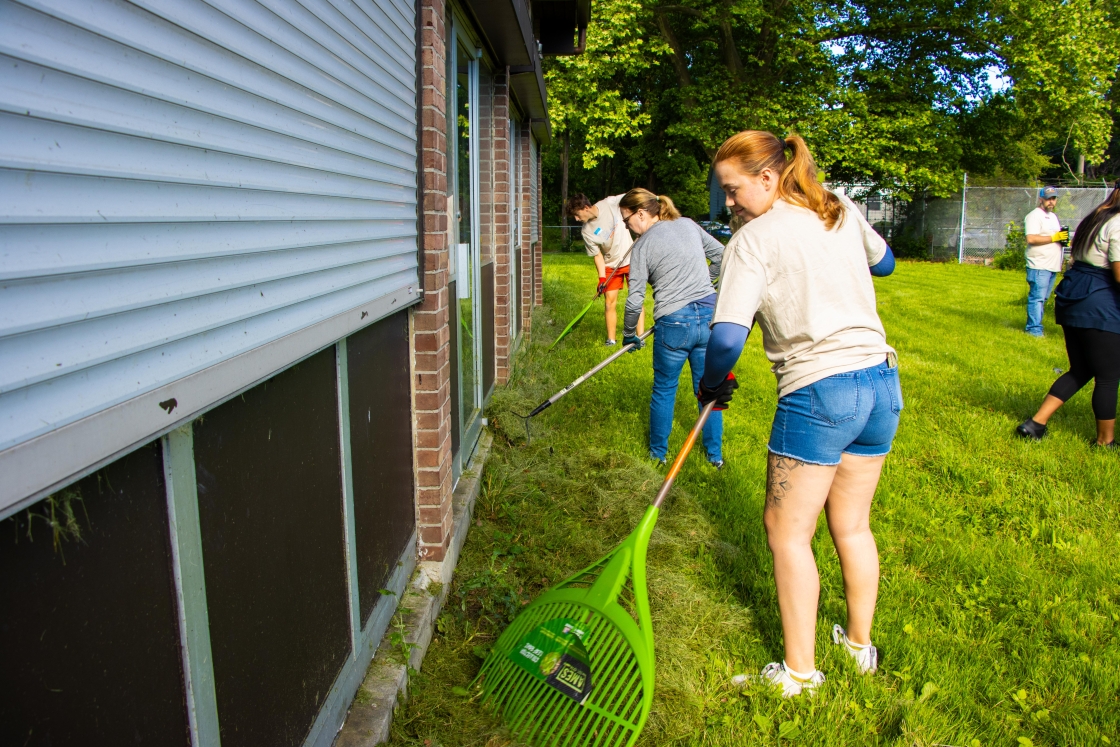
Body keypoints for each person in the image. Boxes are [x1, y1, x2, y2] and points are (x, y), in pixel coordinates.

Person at [697, 130, 898, 697]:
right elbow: (886, 264)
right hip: (881, 383)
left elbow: (728, 336)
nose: (729, 204)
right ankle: (860, 648)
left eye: (733, 191)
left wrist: (713, 384)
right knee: (852, 524)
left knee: (787, 532)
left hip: (821, 392)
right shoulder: (835, 206)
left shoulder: (754, 240)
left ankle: (800, 675)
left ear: (766, 178)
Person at [617, 188, 726, 468]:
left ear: (641, 214)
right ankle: (715, 457)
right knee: (708, 390)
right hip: (709, 316)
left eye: (627, 220)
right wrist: (707, 285)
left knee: (665, 389)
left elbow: (634, 300)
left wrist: (629, 333)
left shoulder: (642, 246)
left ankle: (658, 455)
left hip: (674, 323)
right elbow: (723, 256)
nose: (627, 227)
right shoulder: (688, 224)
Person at [1016, 182, 1120, 448]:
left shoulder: (1097, 215)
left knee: (1082, 369)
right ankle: (1105, 441)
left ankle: (1035, 424)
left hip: (1074, 295)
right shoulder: (1118, 222)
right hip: (1098, 301)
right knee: (1108, 376)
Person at [565, 193, 646, 344]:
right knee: (609, 302)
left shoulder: (610, 203)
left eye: (576, 215)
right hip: (610, 264)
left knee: (636, 299)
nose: (576, 219)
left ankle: (640, 337)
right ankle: (611, 340)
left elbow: (633, 195)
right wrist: (602, 278)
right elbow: (598, 256)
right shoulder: (586, 231)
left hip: (631, 259)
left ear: (586, 208)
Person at [1023, 186, 1070, 337]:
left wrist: (1063, 240)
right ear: (1041, 199)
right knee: (1037, 298)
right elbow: (1031, 238)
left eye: (1054, 198)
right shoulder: (1034, 216)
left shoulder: (1053, 217)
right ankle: (1034, 329)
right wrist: (1054, 238)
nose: (1051, 202)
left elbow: (1053, 237)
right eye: (1048, 198)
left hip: (1052, 265)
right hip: (1039, 264)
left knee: (1043, 298)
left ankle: (1036, 326)